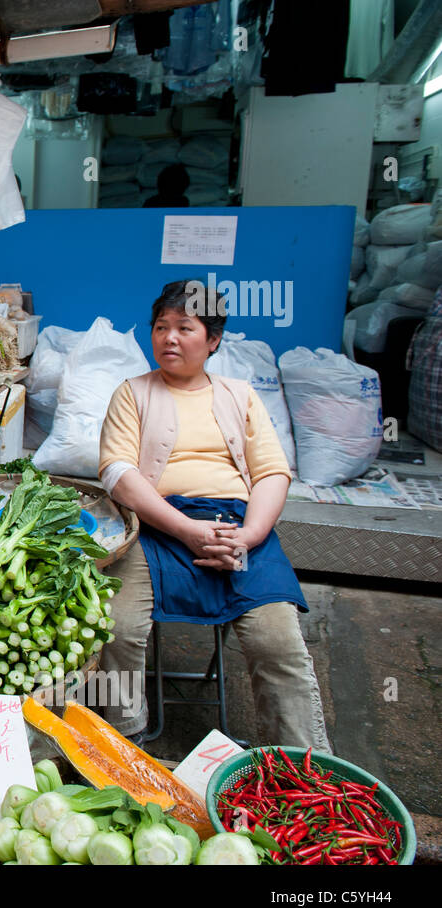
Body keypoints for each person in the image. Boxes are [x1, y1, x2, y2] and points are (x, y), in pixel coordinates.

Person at [96, 279, 330, 751]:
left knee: (278, 645)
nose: (169, 338)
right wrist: (184, 530)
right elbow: (117, 471)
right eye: (161, 327)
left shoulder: (239, 395)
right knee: (117, 627)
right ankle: (125, 738)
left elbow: (272, 473)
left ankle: (302, 765)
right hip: (157, 525)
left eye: (185, 327)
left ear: (214, 340)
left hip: (236, 527)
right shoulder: (132, 392)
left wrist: (247, 536)